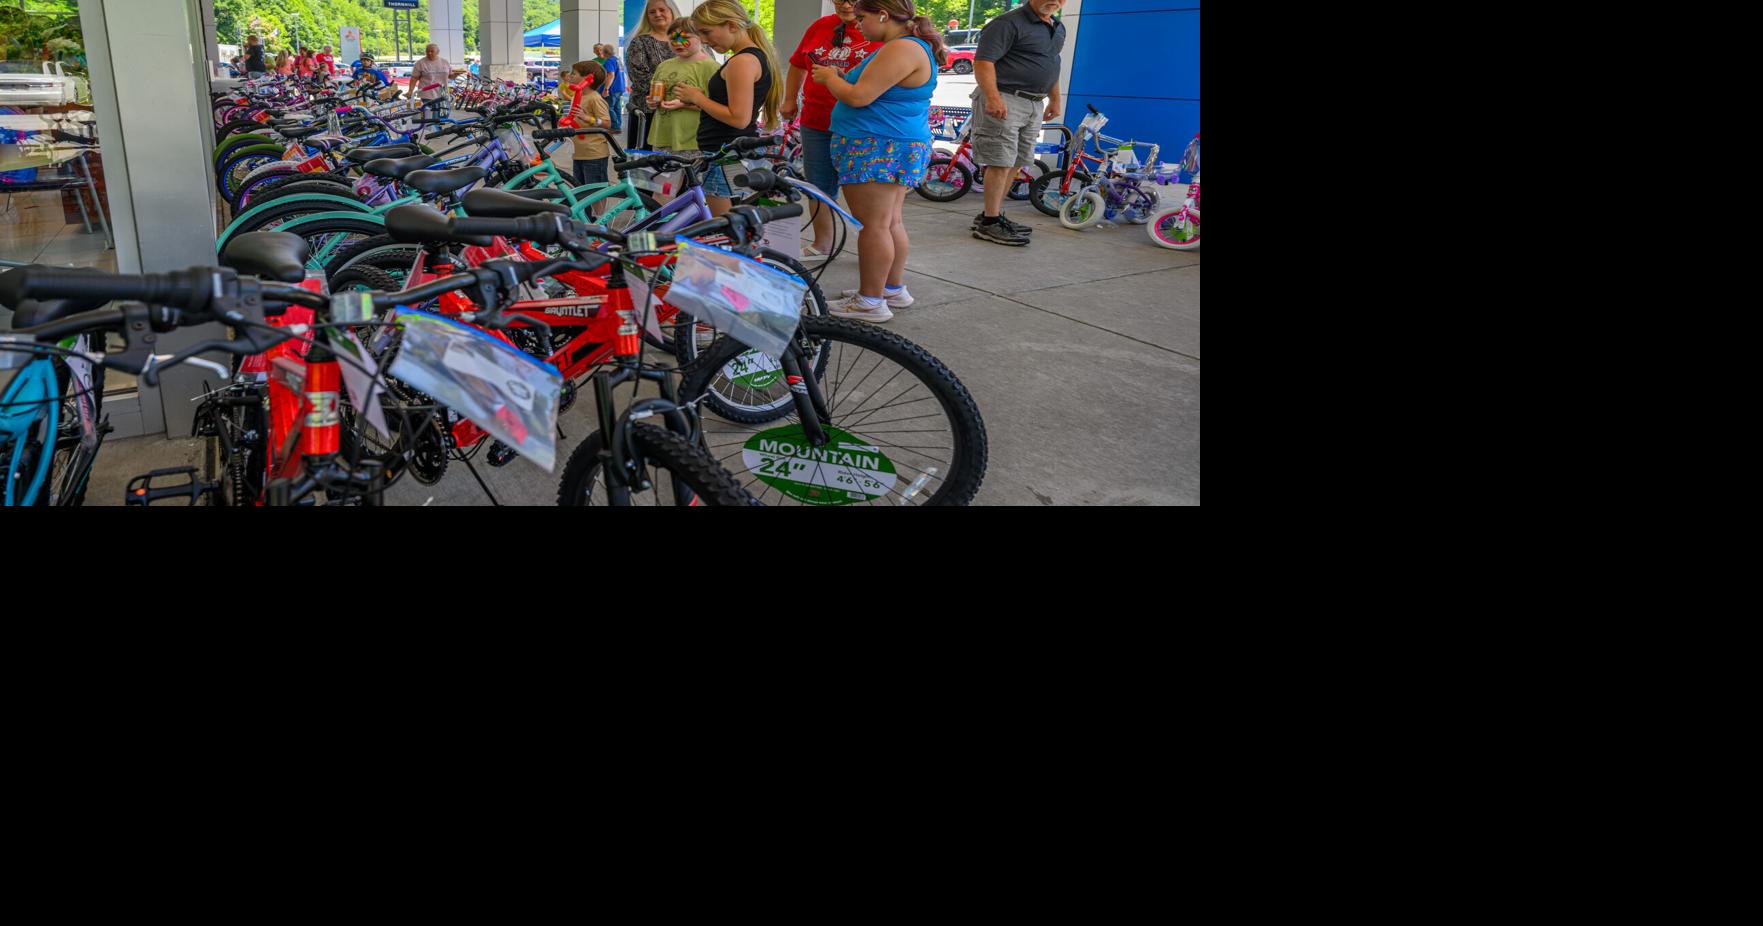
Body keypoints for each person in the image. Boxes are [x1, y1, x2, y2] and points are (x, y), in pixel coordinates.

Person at [813, 0, 942, 323]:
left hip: (877, 144)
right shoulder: (906, 47)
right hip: (889, 142)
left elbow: (858, 97)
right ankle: (890, 288)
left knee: (874, 225)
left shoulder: (901, 48)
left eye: (862, 17)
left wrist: (830, 77)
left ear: (883, 15)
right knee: (889, 222)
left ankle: (870, 300)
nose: (856, 24)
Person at [782, 0, 879, 263]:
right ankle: (822, 243)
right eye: (838, 0)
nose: (844, 4)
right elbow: (798, 63)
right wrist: (790, 98)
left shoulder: (878, 29)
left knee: (865, 193)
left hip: (860, 126)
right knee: (818, 186)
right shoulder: (821, 26)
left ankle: (875, 251)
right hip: (816, 120)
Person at [969, 0, 1066, 246]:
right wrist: (992, 98)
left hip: (1034, 103)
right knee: (1000, 161)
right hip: (1005, 98)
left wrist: (1055, 99)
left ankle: (993, 215)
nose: (1054, 1)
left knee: (1016, 162)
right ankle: (990, 223)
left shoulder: (1057, 27)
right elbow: (983, 62)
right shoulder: (1007, 23)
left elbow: (1052, 64)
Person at [674, 0, 780, 217]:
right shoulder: (751, 57)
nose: (703, 40)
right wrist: (699, 102)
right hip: (731, 150)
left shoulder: (742, 62)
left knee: (726, 230)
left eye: (706, 32)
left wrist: (698, 97)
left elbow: (739, 118)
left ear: (731, 25)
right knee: (739, 224)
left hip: (727, 152)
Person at [651, 21, 719, 161]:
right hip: (662, 137)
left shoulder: (710, 67)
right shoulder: (664, 66)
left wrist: (685, 104)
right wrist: (652, 102)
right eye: (673, 39)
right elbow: (656, 94)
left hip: (692, 141)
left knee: (691, 182)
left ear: (701, 36)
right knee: (664, 182)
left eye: (685, 37)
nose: (678, 42)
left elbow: (718, 107)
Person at [624, 0, 681, 150]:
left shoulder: (687, 40)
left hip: (684, 112)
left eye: (662, 10)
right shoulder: (640, 43)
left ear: (672, 11)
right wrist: (681, 92)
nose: (657, 14)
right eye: (652, 12)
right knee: (648, 167)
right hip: (649, 114)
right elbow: (641, 80)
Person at [560, 61, 613, 190]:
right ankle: (586, 211)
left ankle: (600, 212)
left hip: (594, 154)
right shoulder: (577, 97)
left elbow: (607, 123)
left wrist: (587, 118)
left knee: (596, 191)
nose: (570, 76)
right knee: (581, 191)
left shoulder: (595, 98)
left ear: (587, 78)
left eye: (574, 73)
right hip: (579, 152)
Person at [601, 43, 627, 133]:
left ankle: (615, 127)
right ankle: (618, 125)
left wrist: (606, 89)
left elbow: (611, 75)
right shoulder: (618, 60)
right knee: (617, 107)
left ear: (604, 53)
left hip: (613, 88)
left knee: (609, 107)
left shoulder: (609, 61)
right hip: (620, 87)